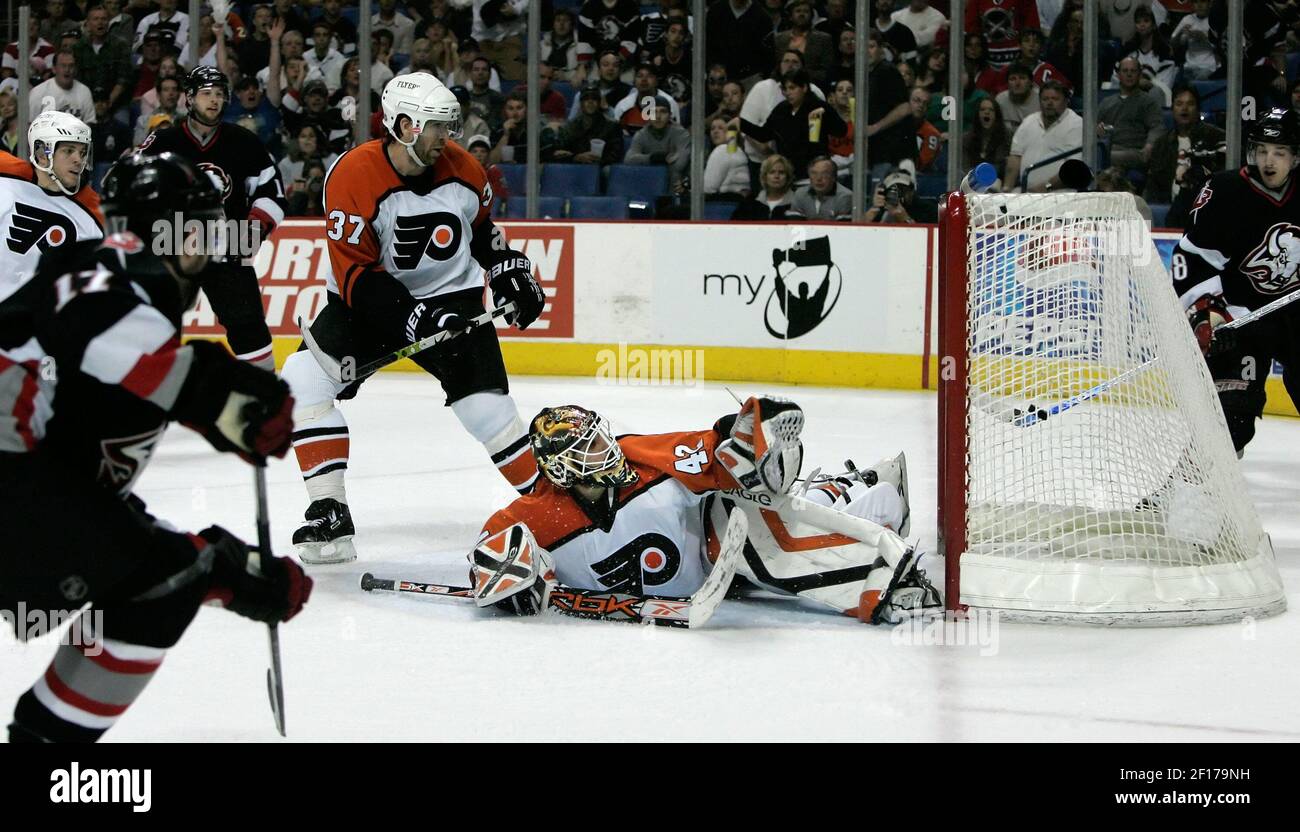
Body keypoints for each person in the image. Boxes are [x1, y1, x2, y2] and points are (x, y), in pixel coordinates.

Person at [0, 151, 310, 743]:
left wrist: (223, 569)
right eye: (207, 229)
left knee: (170, 576)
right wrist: (220, 395)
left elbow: (76, 489)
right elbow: (97, 323)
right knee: (171, 577)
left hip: (20, 487)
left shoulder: (127, 305)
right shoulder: (109, 280)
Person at [280, 73, 545, 564]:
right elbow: (356, 273)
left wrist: (508, 266)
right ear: (404, 125)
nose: (447, 137)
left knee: (488, 414)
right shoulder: (352, 174)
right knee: (301, 384)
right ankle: (329, 512)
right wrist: (413, 318)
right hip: (367, 304)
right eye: (437, 127)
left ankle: (556, 512)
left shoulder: (465, 168)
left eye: (450, 126)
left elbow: (484, 232)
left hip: (454, 297)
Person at [464, 400, 937, 624]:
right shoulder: (539, 513)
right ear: (559, 467)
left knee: (757, 515)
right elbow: (489, 552)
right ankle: (853, 497)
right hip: (719, 582)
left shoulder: (638, 456)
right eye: (586, 447)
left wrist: (740, 432)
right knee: (768, 531)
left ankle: (879, 550)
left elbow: (706, 449)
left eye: (598, 436)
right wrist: (509, 581)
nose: (604, 448)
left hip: (719, 552)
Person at [139, 66, 285, 371]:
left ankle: (263, 390)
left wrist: (252, 231)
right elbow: (129, 186)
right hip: (172, 248)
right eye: (206, 94)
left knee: (248, 325)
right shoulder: (163, 142)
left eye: (220, 94)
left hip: (227, 249)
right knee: (154, 320)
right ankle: (148, 387)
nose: (214, 100)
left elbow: (272, 192)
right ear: (189, 98)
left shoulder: (244, 142)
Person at [1172, 109, 1300, 455]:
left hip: (1295, 314)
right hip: (1242, 318)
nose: (1268, 161)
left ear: (1296, 156)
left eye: (1279, 153)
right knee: (1231, 422)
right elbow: (1191, 259)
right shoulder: (1225, 190)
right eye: (1262, 151)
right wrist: (1204, 312)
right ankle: (1186, 484)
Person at [0, 111, 101, 303]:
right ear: (42, 153)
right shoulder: (6, 175)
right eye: (68, 150)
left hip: (40, 323)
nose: (78, 160)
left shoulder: (95, 213)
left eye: (82, 152)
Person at [736, 67, 846, 182]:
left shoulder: (819, 106)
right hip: (788, 175)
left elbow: (841, 131)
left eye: (792, 88)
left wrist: (826, 116)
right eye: (785, 89)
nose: (788, 93)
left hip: (815, 174)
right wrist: (741, 123)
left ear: (804, 87)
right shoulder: (781, 109)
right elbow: (764, 135)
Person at [1145, 85, 1225, 209]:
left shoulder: (1216, 137)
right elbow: (1153, 185)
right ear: (1172, 109)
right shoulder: (1162, 144)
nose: (1184, 108)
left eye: (1190, 104)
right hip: (1169, 209)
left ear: (1198, 109)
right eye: (1179, 104)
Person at [1003, 79, 1082, 192]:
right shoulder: (1029, 121)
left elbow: (1073, 168)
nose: (1049, 103)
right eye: (1045, 99)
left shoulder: (1076, 124)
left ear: (1066, 101)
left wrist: (1045, 187)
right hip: (1026, 191)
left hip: (1061, 193)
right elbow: (1015, 157)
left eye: (1055, 99)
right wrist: (1007, 188)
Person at [1097, 56, 1162, 173]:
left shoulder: (1148, 102)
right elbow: (1092, 126)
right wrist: (1097, 131)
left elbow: (1157, 127)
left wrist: (1150, 145)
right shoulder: (1107, 102)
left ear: (1139, 74)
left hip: (1134, 151)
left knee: (1097, 157)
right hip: (1109, 148)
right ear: (1118, 75)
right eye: (1125, 71)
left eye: (1133, 71)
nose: (1129, 74)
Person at [624, 99, 690, 191]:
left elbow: (680, 164)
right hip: (649, 181)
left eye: (663, 112)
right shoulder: (641, 134)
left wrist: (645, 160)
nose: (658, 116)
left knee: (676, 174)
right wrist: (654, 158)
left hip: (676, 183)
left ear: (670, 115)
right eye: (654, 112)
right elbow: (628, 160)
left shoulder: (681, 133)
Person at [552, 86, 624, 165]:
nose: (590, 102)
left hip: (601, 167)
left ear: (599, 103)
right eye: (586, 99)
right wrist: (576, 157)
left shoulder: (612, 126)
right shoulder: (569, 127)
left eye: (594, 99)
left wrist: (596, 160)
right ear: (580, 103)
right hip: (575, 167)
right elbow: (559, 153)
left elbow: (616, 155)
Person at [30, 49, 97, 125]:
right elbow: (29, 124)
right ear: (54, 69)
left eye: (71, 66)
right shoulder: (38, 93)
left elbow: (89, 123)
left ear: (75, 69)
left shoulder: (84, 91)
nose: (67, 70)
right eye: (63, 65)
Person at [731, 153, 801, 220]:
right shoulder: (750, 202)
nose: (776, 176)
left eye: (781, 172)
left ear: (788, 177)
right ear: (765, 177)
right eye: (772, 172)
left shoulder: (798, 202)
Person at [865, 163, 934, 223]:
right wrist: (873, 212)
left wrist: (905, 219)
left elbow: (926, 235)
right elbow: (860, 233)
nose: (898, 194)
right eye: (893, 189)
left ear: (912, 191)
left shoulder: (926, 209)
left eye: (902, 189)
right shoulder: (880, 210)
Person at [963, 96, 1012, 180]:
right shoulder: (967, 139)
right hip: (972, 182)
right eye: (982, 110)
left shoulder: (1006, 136)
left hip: (997, 182)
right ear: (977, 115)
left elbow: (1003, 166)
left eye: (991, 110)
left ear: (997, 115)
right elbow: (964, 167)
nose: (987, 112)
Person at [704, 117, 750, 197]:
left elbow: (708, 188)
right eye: (712, 129)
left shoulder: (723, 149)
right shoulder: (737, 150)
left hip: (726, 203)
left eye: (721, 128)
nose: (715, 131)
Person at [994, 62, 1039, 133]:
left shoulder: (1040, 99)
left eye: (1022, 78)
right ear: (1007, 84)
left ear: (1031, 82)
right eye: (1012, 79)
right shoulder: (1000, 100)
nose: (1017, 83)